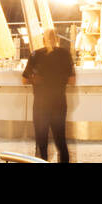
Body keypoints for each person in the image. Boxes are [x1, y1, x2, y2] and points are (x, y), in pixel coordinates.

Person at [22, 28, 76, 162]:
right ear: (57, 39)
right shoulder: (65, 54)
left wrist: (37, 80)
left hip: (41, 103)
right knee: (60, 140)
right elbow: (72, 80)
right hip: (59, 102)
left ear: (43, 39)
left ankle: (42, 161)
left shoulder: (35, 55)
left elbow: (24, 80)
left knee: (41, 141)